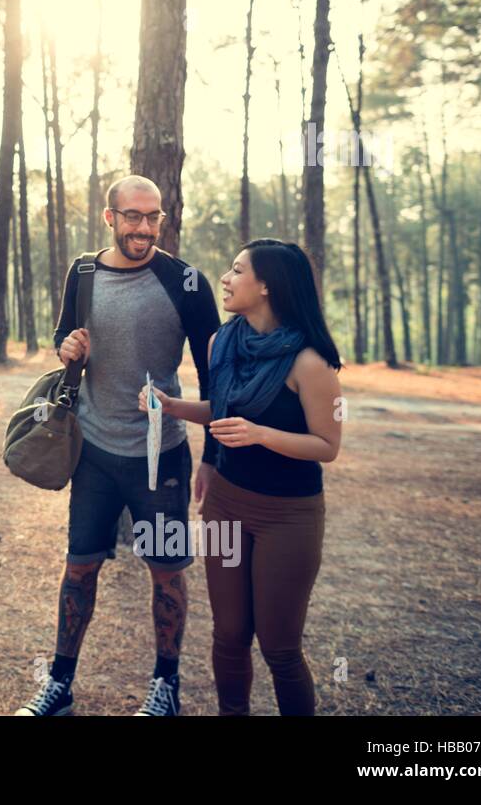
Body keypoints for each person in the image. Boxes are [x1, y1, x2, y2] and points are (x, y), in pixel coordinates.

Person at [17, 175, 220, 717]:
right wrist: (69, 350)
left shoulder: (187, 282)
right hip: (95, 453)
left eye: (153, 217)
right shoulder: (83, 272)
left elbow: (216, 376)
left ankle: (166, 687)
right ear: (110, 218)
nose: (144, 228)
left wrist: (216, 458)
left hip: (162, 456)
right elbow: (66, 343)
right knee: (80, 566)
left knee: (166, 571)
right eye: (133, 216)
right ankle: (59, 684)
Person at [139, 238, 342, 715]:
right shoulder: (223, 341)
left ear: (267, 286)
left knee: (279, 646)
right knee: (229, 635)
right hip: (226, 504)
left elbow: (327, 447)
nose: (225, 280)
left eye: (236, 271)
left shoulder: (310, 363)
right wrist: (173, 407)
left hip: (288, 516)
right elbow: (223, 411)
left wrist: (260, 434)